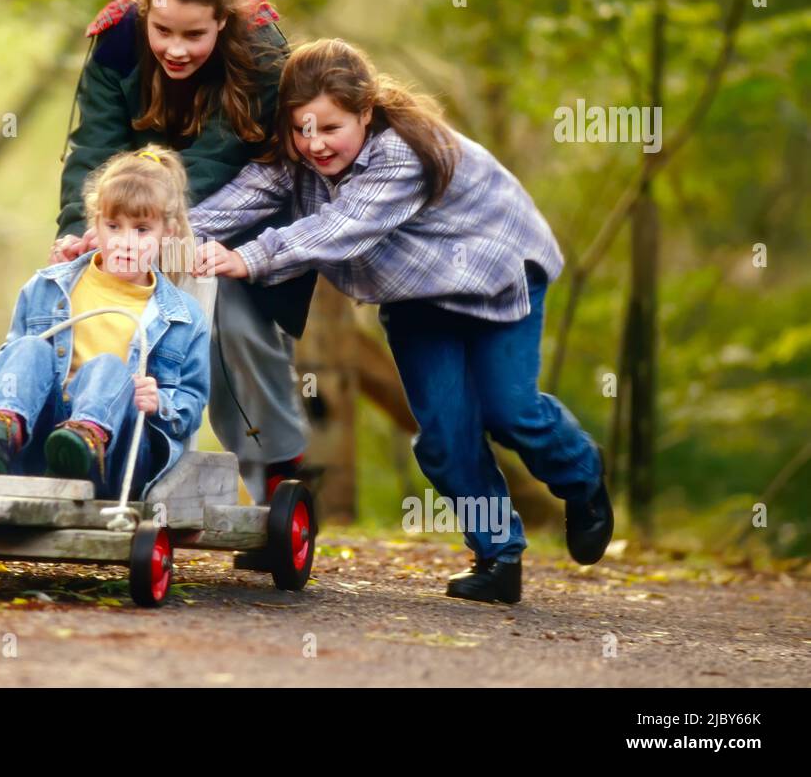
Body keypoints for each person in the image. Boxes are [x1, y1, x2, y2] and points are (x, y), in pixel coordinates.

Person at [189, 38, 614, 604]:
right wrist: (139, 233)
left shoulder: (404, 153)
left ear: (365, 112)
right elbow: (236, 201)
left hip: (496, 274)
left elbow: (344, 227)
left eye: (331, 129)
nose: (313, 144)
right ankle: (498, 555)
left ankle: (582, 476)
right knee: (443, 433)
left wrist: (251, 257)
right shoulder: (299, 158)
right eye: (301, 129)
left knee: (509, 410)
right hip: (419, 297)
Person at [53, 0, 314, 501]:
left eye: (195, 34)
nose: (176, 49)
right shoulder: (116, 42)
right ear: (146, 13)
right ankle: (99, 444)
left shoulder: (263, 52)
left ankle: (273, 468)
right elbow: (94, 145)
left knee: (234, 332)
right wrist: (81, 226)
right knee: (94, 310)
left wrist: (147, 204)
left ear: (223, 21)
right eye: (163, 31)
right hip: (128, 213)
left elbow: (224, 153)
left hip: (239, 210)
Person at [0, 148, 209, 501]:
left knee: (108, 368)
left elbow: (191, 403)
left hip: (114, 462)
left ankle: (85, 440)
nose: (125, 241)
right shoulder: (48, 287)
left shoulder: (182, 317)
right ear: (95, 224)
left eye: (142, 230)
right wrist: (13, 386)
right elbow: (3, 370)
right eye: (114, 227)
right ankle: (3, 434)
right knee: (30, 347)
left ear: (168, 232)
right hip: (41, 442)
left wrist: (160, 402)